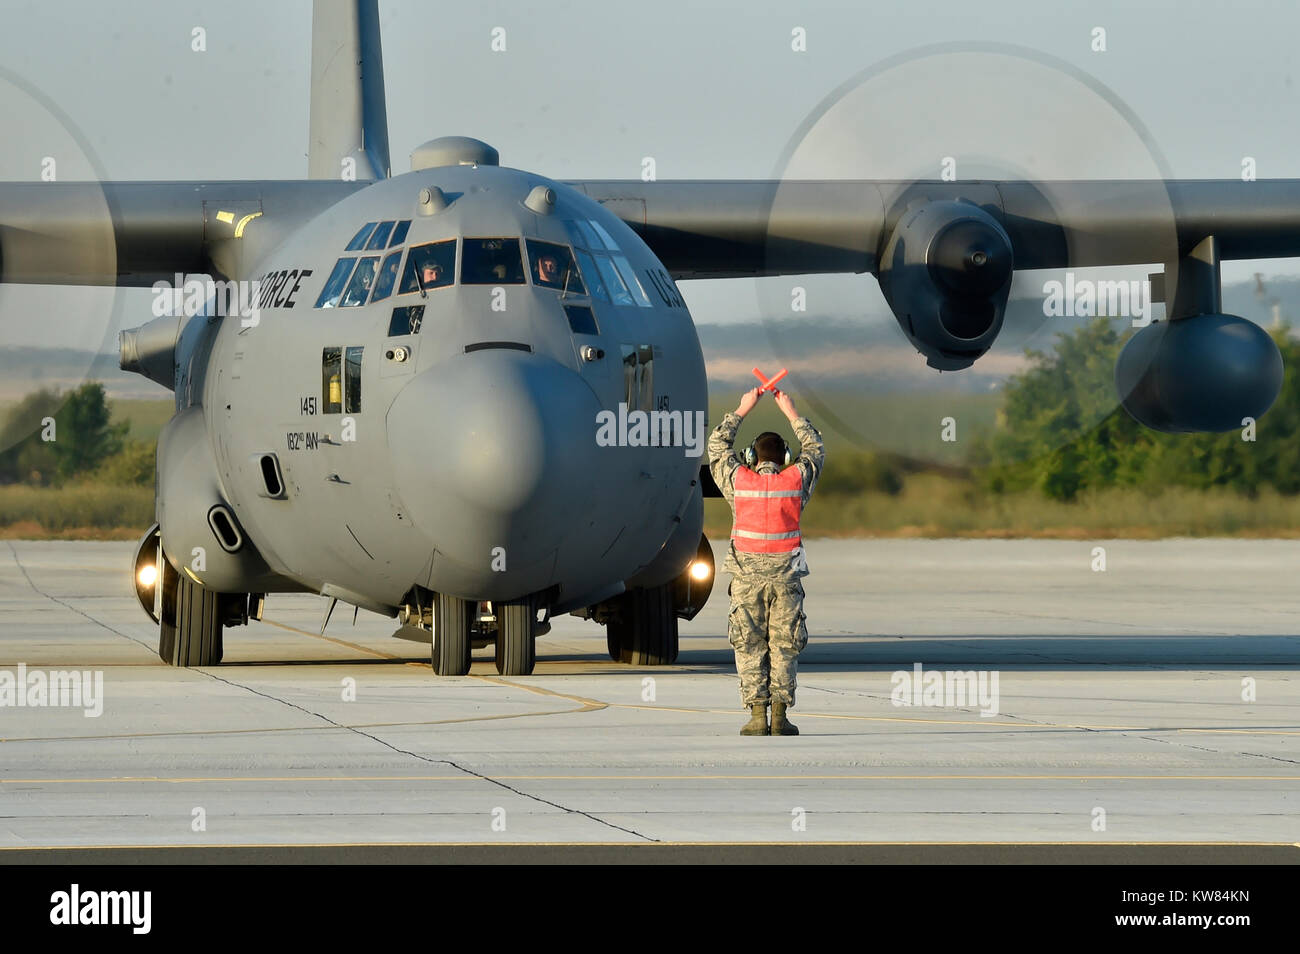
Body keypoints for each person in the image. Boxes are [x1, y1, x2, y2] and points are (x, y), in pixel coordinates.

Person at [707, 385, 824, 736]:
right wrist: (790, 410)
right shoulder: (795, 480)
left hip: (746, 579)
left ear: (751, 457)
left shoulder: (738, 481)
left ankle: (757, 716)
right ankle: (780, 717)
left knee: (748, 642)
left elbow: (716, 446)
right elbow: (816, 449)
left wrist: (743, 408)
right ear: (785, 456)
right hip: (786, 578)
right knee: (785, 644)